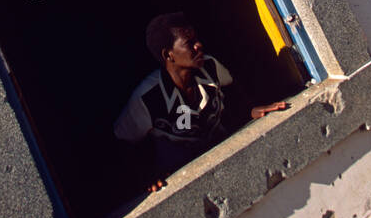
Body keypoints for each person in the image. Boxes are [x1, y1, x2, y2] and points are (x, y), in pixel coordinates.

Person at [114, 11, 288, 190]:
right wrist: (146, 175)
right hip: (180, 181)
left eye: (196, 39)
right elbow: (123, 143)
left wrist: (250, 111)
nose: (199, 45)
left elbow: (235, 98)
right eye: (189, 43)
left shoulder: (210, 67)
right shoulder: (148, 98)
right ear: (168, 55)